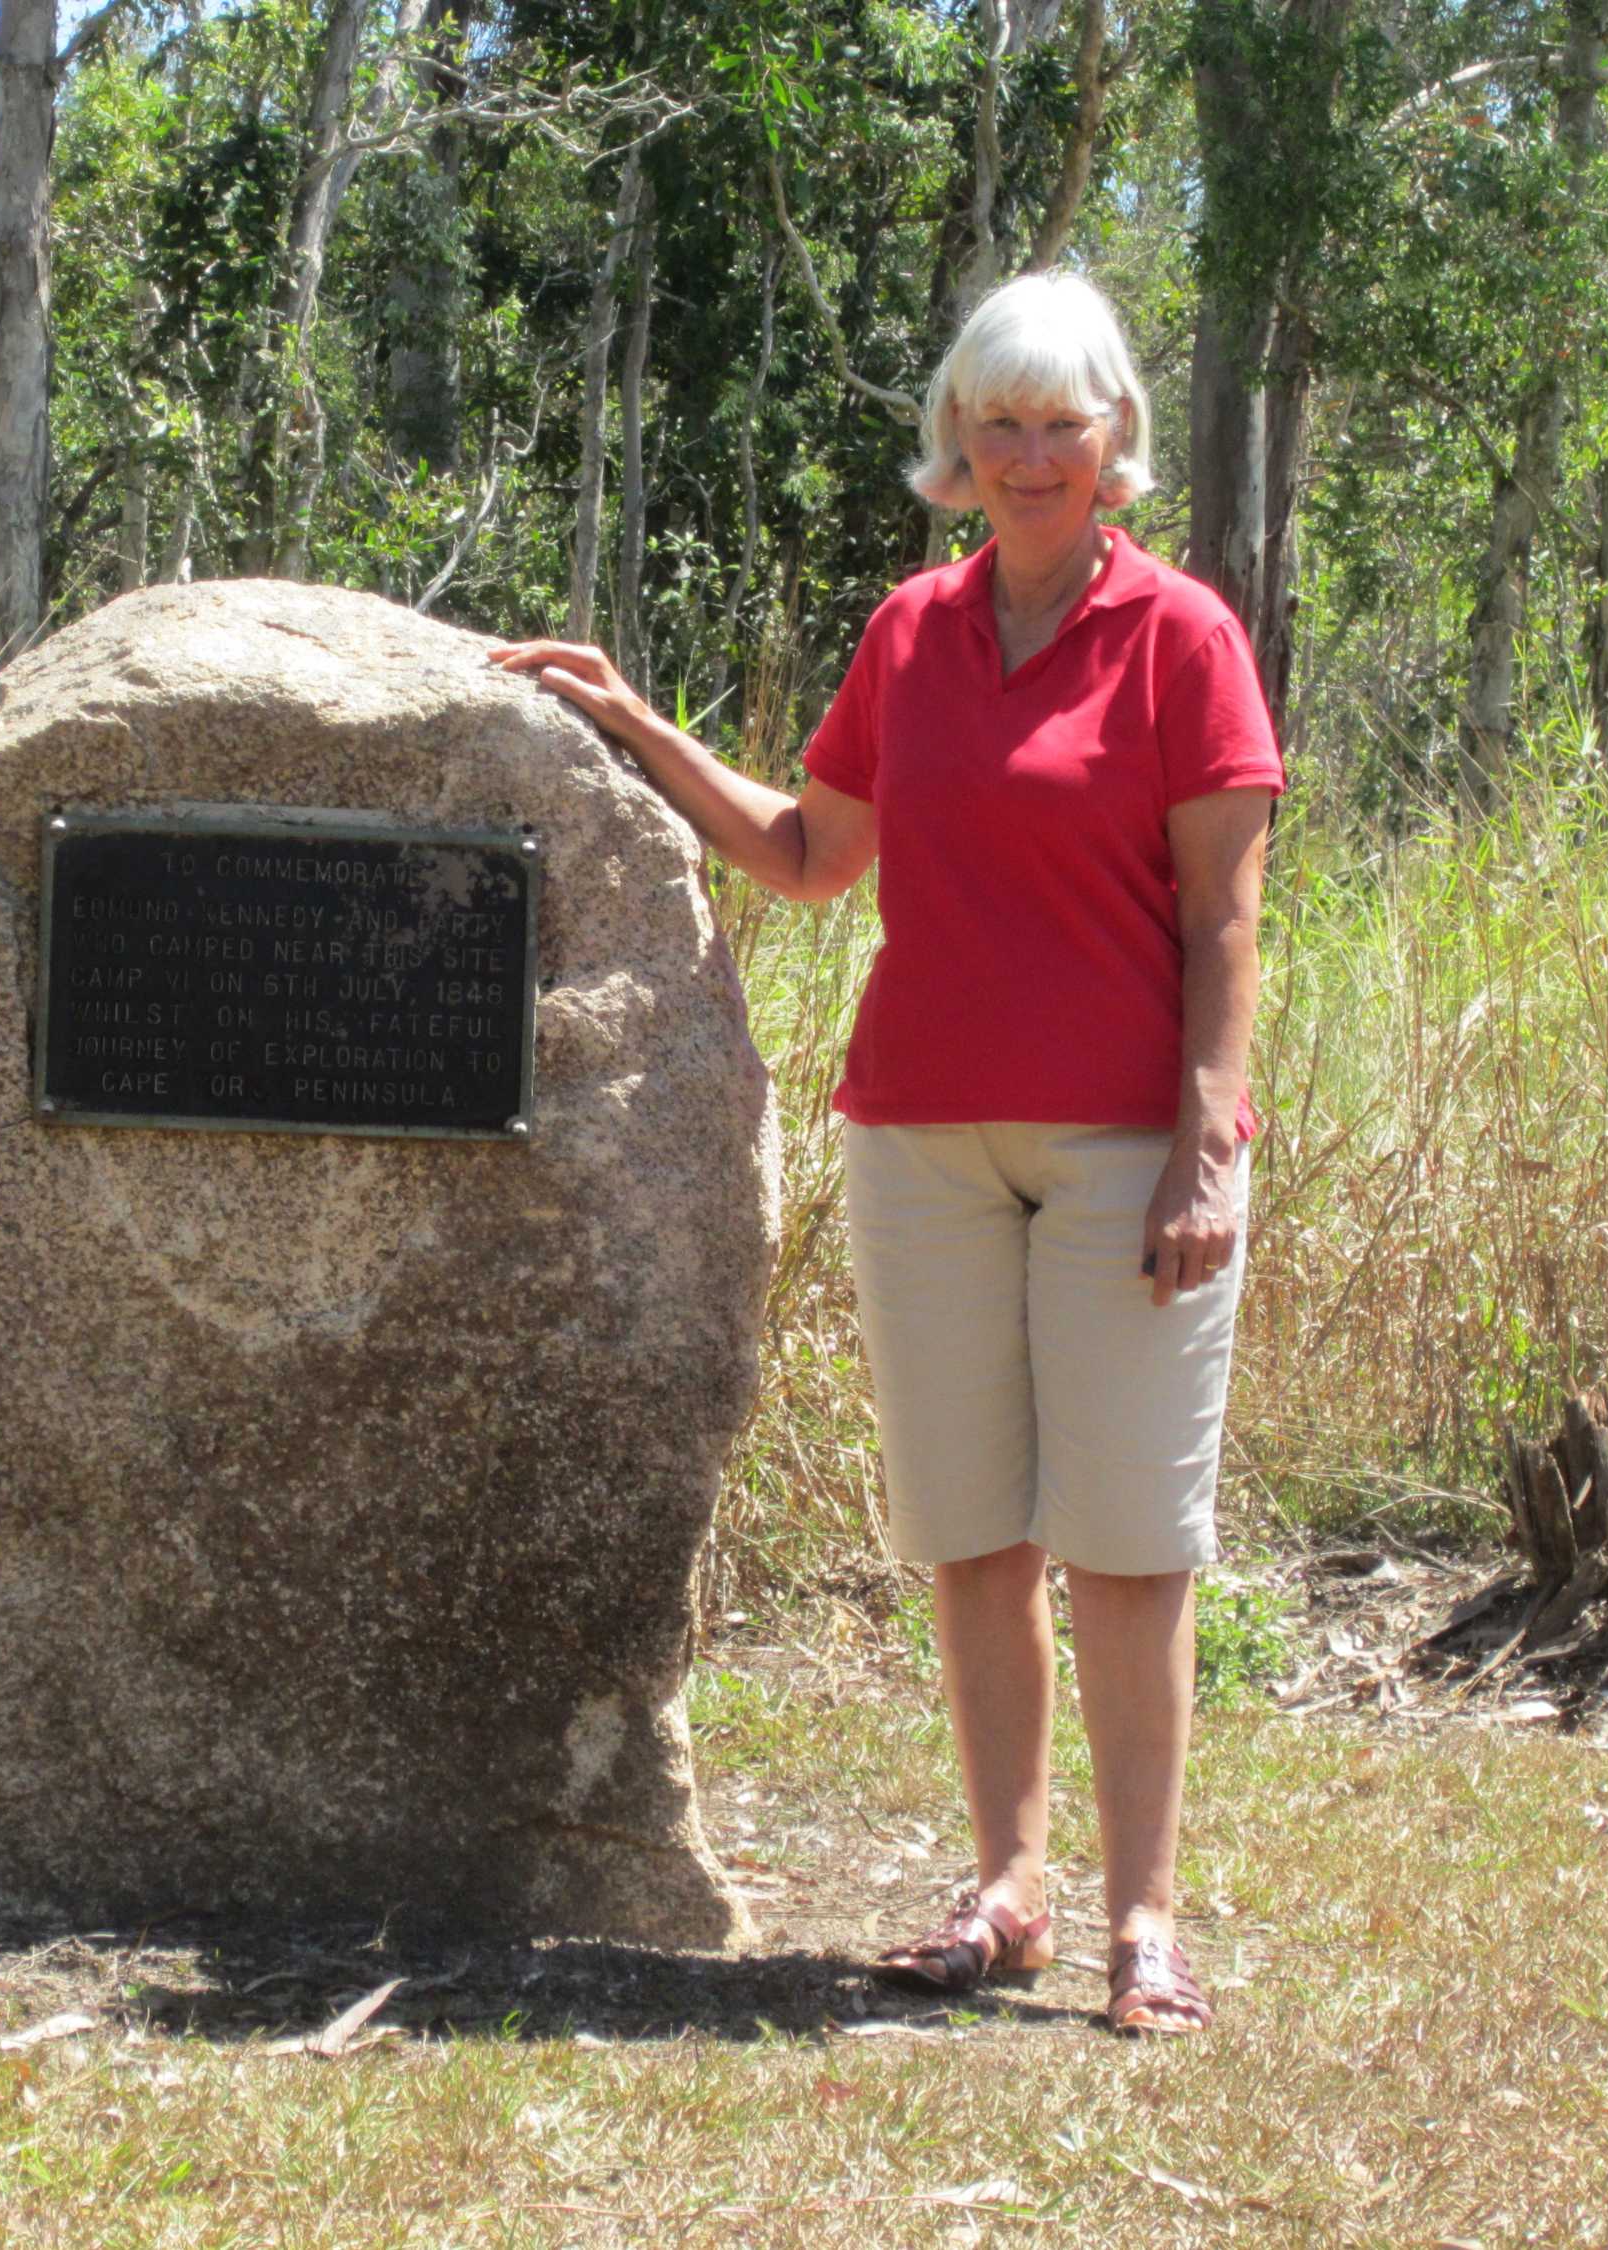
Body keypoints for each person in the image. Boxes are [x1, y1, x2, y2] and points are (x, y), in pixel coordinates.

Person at [488, 271, 1281, 2037]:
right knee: (973, 1534)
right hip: (920, 1140)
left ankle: (1144, 1918)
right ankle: (1006, 1887)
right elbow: (802, 851)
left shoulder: (1180, 638)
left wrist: (1206, 1147)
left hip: (1122, 1151)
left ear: (1115, 440)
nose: (1026, 457)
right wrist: (629, 718)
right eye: (994, 425)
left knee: (1129, 1546)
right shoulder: (910, 633)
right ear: (956, 446)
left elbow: (1228, 921)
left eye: (1060, 425)